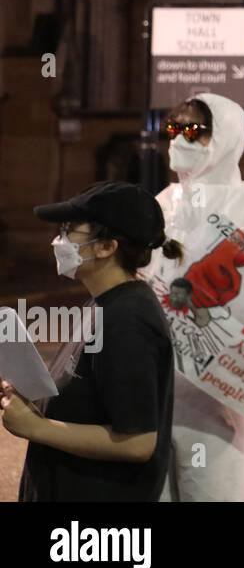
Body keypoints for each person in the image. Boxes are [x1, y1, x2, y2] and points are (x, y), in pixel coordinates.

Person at [144, 92, 244, 502]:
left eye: (194, 131)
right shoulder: (160, 206)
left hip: (223, 404)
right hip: (157, 397)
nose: (178, 141)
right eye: (173, 130)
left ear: (226, 137)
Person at [1, 182, 178, 501]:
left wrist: (36, 428)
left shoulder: (128, 321)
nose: (59, 240)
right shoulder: (106, 302)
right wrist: (33, 397)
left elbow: (138, 442)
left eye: (70, 230)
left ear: (106, 247)